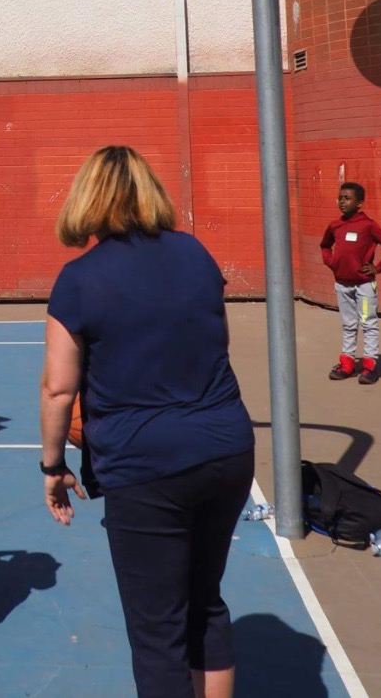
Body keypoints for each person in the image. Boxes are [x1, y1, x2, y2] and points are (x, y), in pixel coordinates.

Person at [39, 146, 254, 698]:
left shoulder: (80, 279)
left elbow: (59, 388)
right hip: (225, 447)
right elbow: (217, 343)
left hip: (145, 465)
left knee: (157, 631)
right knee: (205, 602)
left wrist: (53, 464)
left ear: (88, 198)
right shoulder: (195, 254)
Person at [321, 181, 381, 386]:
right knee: (348, 324)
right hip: (342, 284)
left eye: (347, 198)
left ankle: (369, 365)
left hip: (364, 286)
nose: (342, 202)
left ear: (359, 203)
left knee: (368, 323)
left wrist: (378, 268)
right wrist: (332, 263)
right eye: (340, 198)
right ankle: (347, 363)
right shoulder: (335, 225)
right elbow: (325, 246)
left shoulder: (368, 226)